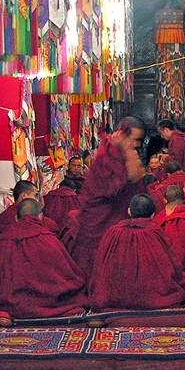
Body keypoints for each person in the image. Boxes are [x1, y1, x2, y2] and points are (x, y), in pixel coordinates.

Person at [0, 199, 88, 320]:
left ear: (16, 218)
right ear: (41, 216)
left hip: (9, 306)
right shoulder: (49, 240)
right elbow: (68, 274)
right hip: (47, 304)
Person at [72, 116, 146, 283]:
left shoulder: (120, 152)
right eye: (134, 140)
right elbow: (111, 189)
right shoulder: (108, 155)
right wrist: (131, 169)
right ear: (120, 134)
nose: (136, 145)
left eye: (139, 141)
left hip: (117, 215)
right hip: (102, 218)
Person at [90, 194, 185, 310]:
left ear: (129, 212)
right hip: (154, 297)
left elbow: (100, 266)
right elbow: (171, 265)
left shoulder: (113, 232)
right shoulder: (155, 233)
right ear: (153, 214)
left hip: (113, 297)